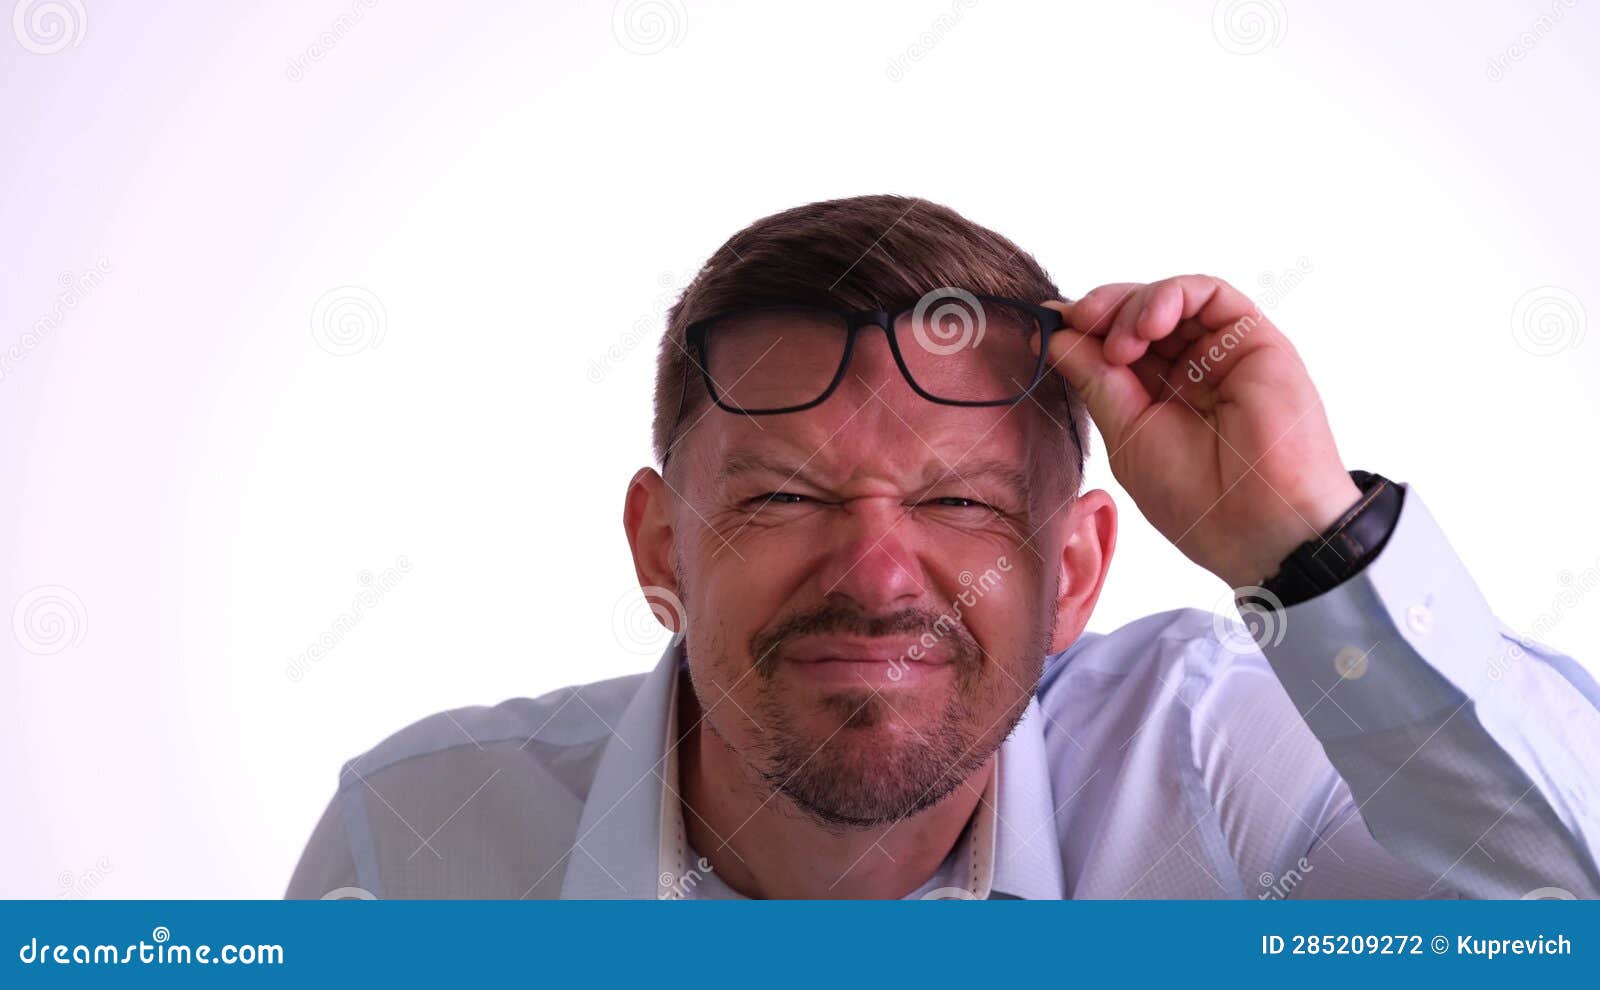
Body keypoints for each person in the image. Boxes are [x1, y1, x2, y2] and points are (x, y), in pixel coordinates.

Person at [288, 194, 1600, 900]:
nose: (875, 573)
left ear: (1075, 570)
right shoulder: (413, 852)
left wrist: (1307, 538)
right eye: (784, 498)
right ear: (661, 546)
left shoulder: (1220, 769)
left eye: (963, 503)